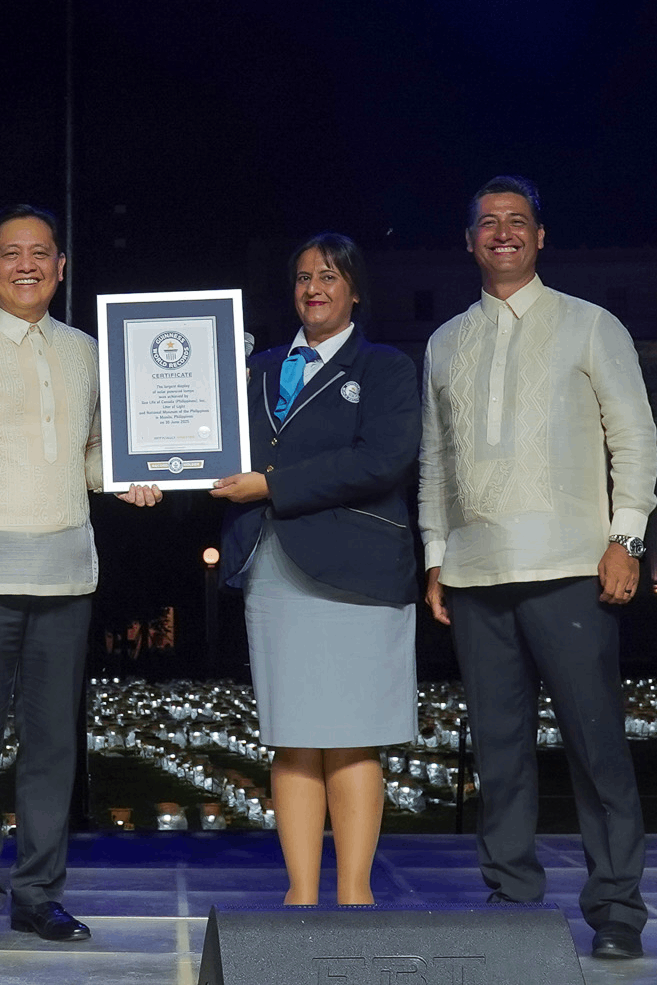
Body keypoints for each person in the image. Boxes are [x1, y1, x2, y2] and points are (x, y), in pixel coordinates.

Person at [0, 205, 160, 946]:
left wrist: (131, 476)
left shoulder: (86, 350)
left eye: (41, 253)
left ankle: (39, 892)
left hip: (66, 575)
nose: (27, 264)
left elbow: (87, 455)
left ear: (61, 266)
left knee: (54, 745)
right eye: (11, 253)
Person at [418, 175, 657, 960]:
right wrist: (435, 556)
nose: (503, 233)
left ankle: (616, 906)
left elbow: (634, 439)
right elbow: (435, 464)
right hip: (476, 573)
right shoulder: (445, 341)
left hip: (570, 568)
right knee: (499, 750)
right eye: (487, 223)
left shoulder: (591, 326)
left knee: (596, 745)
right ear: (468, 241)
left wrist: (625, 538)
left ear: (540, 237)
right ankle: (512, 896)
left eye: (516, 221)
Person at [211, 233, 421, 906]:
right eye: (302, 277)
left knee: (353, 735)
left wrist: (271, 484)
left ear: (354, 289)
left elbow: (380, 460)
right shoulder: (258, 368)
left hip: (356, 570)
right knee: (293, 733)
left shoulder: (385, 367)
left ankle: (354, 894)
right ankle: (300, 895)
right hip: (273, 568)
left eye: (328, 276)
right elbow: (205, 441)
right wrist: (148, 471)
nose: (313, 288)